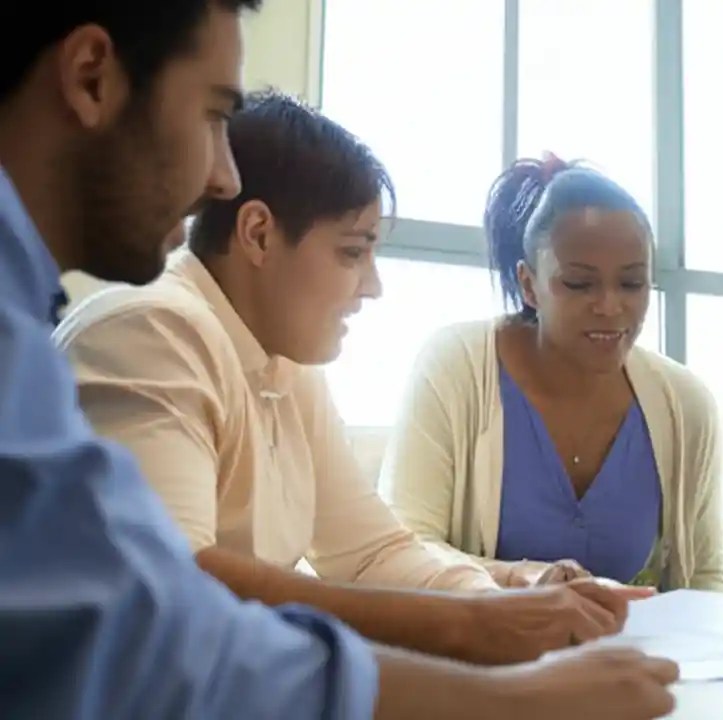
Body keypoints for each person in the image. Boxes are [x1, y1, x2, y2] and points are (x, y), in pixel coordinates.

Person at [0, 2, 677, 718]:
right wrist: (488, 660)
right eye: (211, 117)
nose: (221, 177)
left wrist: (513, 594)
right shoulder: (150, 327)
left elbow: (371, 551)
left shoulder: (280, 365)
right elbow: (173, 597)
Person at [379, 154, 723, 590]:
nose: (609, 306)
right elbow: (403, 546)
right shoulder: (456, 369)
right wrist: (518, 578)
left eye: (632, 283)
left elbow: (705, 578)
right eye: (579, 284)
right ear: (529, 285)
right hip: (477, 654)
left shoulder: (685, 404)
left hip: (632, 655)